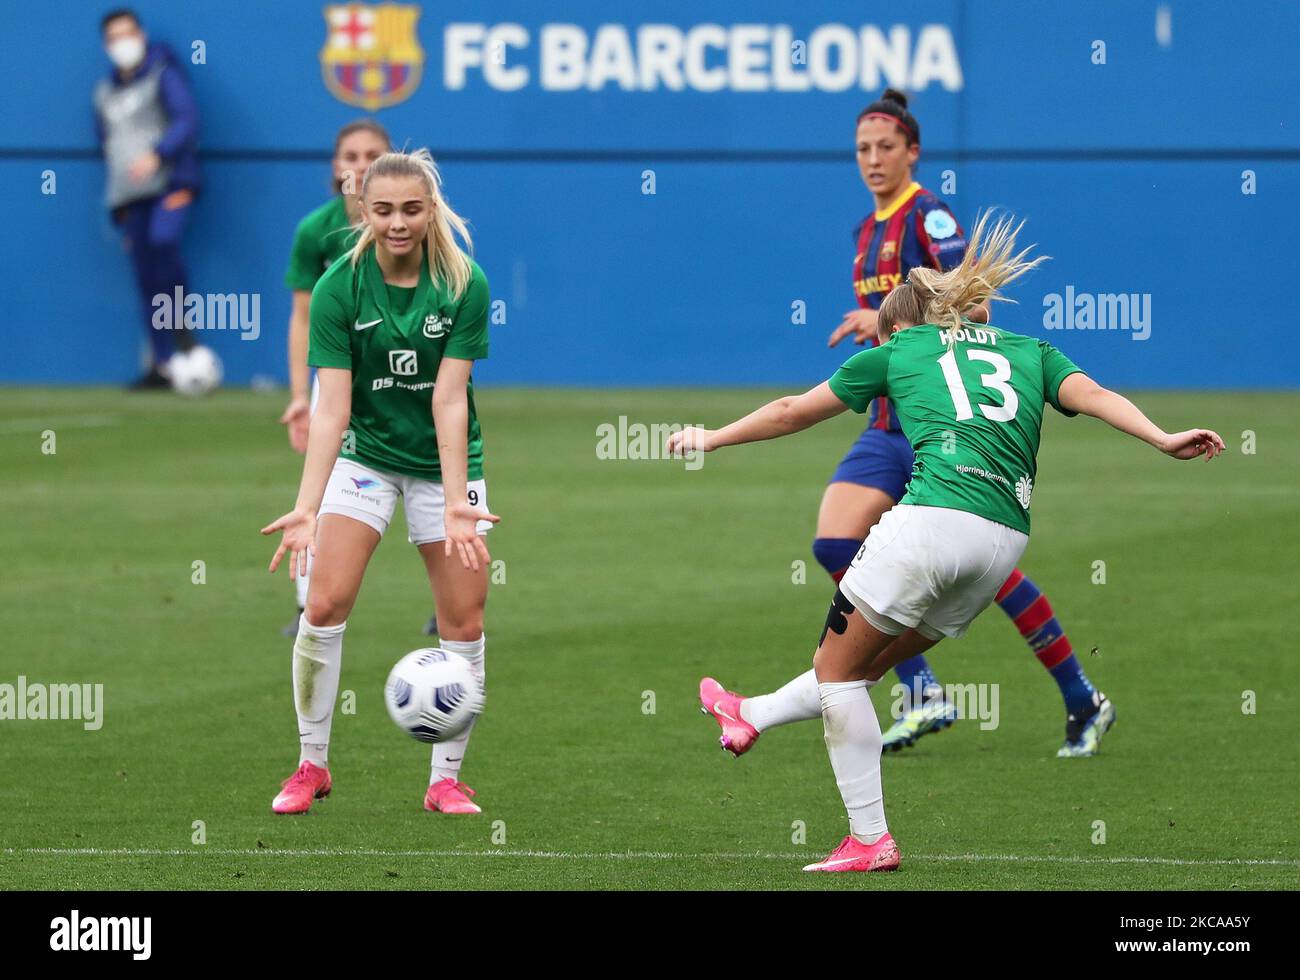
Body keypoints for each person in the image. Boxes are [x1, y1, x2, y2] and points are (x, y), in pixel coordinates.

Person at [670, 213, 1223, 871]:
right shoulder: (1031, 350)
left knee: (841, 674)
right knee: (862, 668)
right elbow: (1097, 394)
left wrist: (711, 438)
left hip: (931, 523)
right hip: (1001, 544)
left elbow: (793, 410)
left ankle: (869, 840)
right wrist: (1162, 437)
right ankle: (749, 713)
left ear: (902, 326)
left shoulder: (902, 348)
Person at [806, 88, 1109, 756]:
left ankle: (1080, 696)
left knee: (979, 564)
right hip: (892, 418)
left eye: (887, 147)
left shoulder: (930, 217)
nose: (873, 159)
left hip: (945, 416)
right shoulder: (865, 228)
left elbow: (976, 308)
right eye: (863, 148)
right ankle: (921, 690)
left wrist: (882, 318)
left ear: (913, 152)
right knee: (834, 542)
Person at [262, 149, 499, 816]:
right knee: (324, 604)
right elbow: (332, 407)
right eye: (385, 209)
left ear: (431, 210)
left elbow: (450, 400)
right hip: (365, 459)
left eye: (412, 210)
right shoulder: (340, 285)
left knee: (464, 620)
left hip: (442, 463)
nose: (399, 223)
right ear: (363, 209)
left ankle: (444, 780)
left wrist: (457, 502)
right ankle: (311, 767)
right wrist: (307, 507)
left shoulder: (464, 283)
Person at [277, 119, 392, 637]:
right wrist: (301, 395)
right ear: (335, 164)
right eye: (350, 154)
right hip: (340, 373)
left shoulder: (417, 224)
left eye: (373, 154)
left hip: (408, 378)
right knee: (324, 486)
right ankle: (309, 606)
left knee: (439, 480)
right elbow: (302, 316)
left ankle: (451, 599)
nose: (360, 164)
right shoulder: (315, 232)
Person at [93, 8, 201, 389]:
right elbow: (106, 142)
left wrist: (157, 153)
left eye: (128, 33)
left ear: (140, 34)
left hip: (168, 186)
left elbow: (186, 119)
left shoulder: (163, 72)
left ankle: (185, 334)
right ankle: (162, 363)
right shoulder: (104, 91)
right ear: (106, 44)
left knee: (164, 243)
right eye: (114, 37)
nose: (123, 43)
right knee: (144, 277)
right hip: (128, 198)